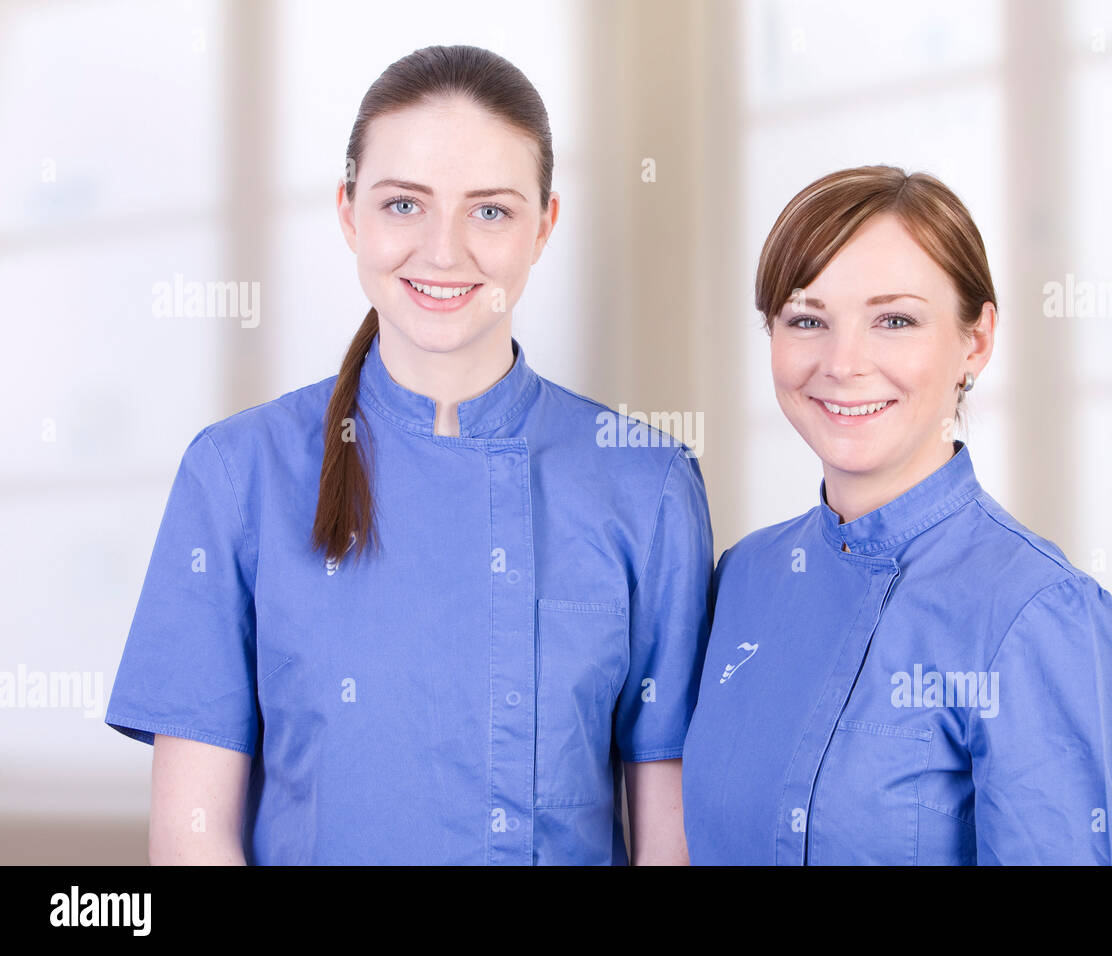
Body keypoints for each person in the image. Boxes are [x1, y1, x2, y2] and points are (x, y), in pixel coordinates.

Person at [105, 45, 713, 866]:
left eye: (490, 211)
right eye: (403, 205)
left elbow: (667, 842)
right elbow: (193, 837)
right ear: (350, 212)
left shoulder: (648, 484)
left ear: (545, 225)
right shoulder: (235, 475)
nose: (443, 250)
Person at [681, 165, 1112, 865]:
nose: (844, 362)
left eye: (894, 320)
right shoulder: (743, 578)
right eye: (808, 319)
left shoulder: (1040, 614)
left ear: (974, 341)